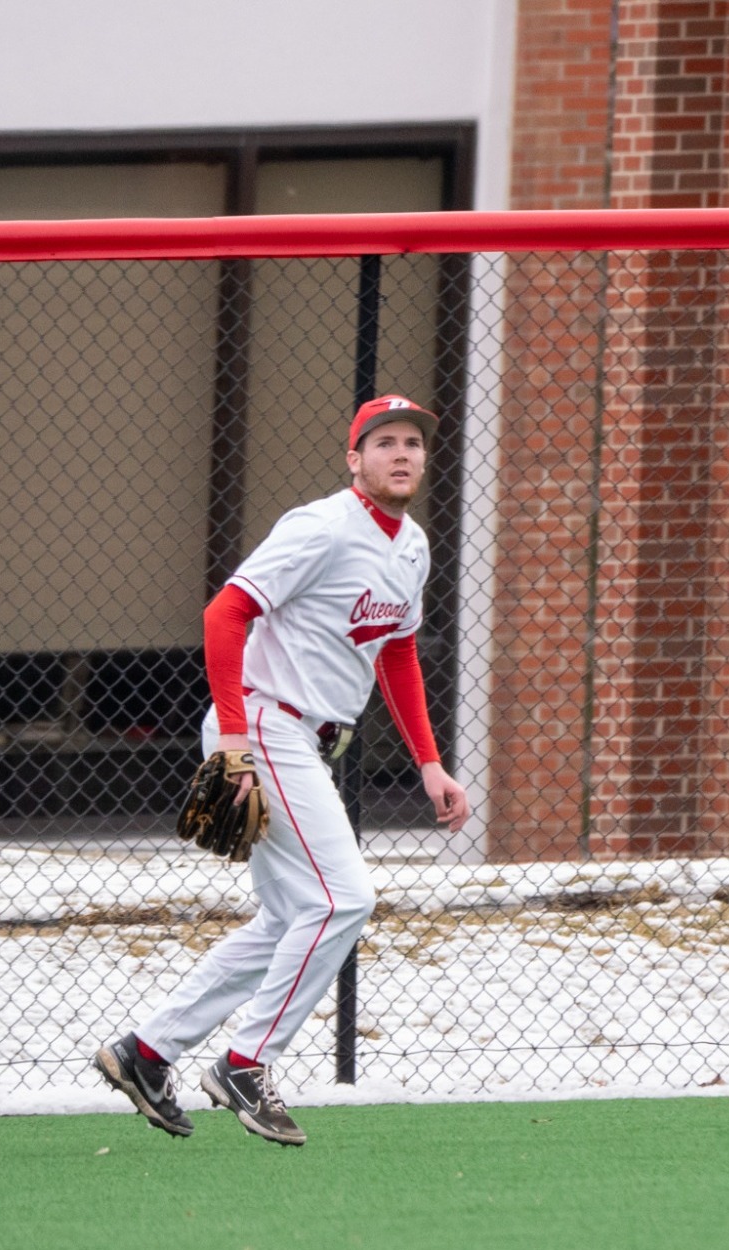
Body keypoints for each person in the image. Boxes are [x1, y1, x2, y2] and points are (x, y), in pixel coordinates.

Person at [96, 393, 469, 1146]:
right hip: (266, 725)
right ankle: (247, 1063)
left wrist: (430, 763)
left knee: (287, 919)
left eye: (413, 442)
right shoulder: (321, 526)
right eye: (385, 442)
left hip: (305, 738)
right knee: (344, 900)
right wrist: (235, 742)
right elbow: (224, 614)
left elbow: (396, 651)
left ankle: (146, 1052)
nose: (402, 453)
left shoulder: (412, 545)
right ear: (354, 458)